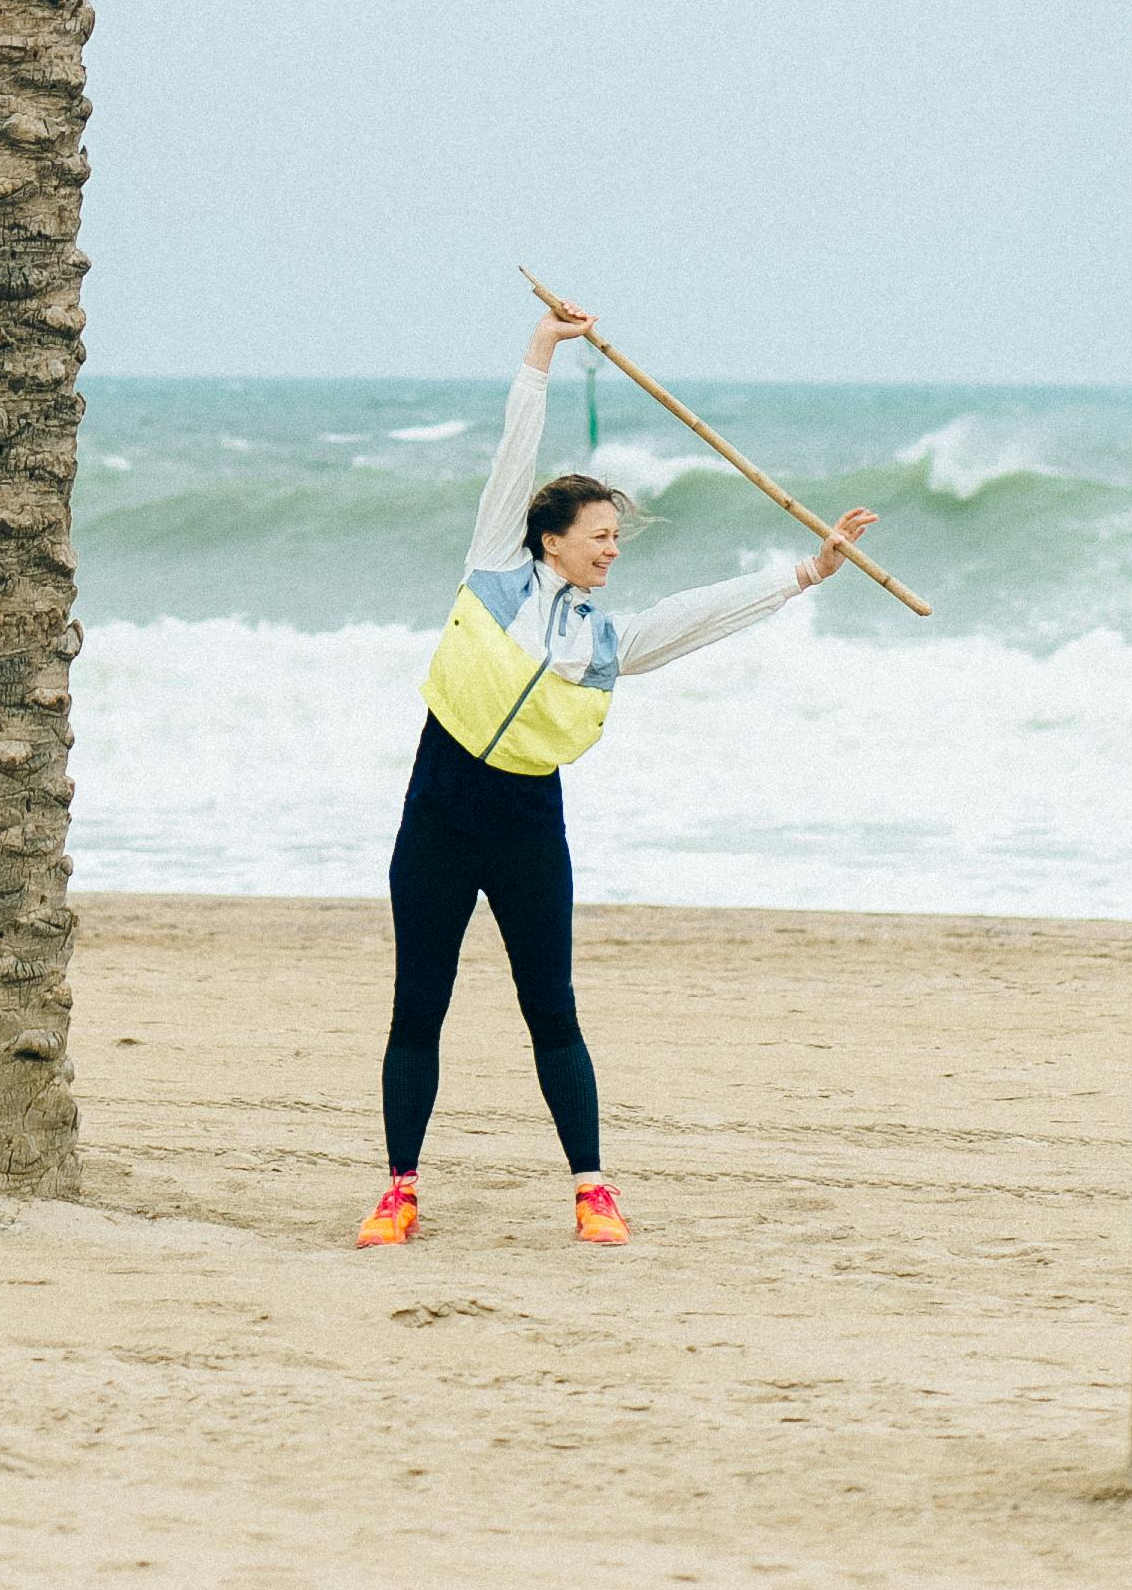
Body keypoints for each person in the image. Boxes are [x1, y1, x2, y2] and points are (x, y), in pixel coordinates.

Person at [356, 297, 876, 1248]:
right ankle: (398, 1191)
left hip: (525, 828)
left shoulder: (604, 638)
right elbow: (517, 449)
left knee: (550, 1008)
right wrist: (539, 352)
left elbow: (695, 617)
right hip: (436, 815)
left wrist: (805, 573)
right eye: (600, 534)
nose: (612, 547)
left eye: (616, 537)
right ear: (550, 536)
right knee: (417, 1007)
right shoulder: (490, 572)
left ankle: (593, 1191)